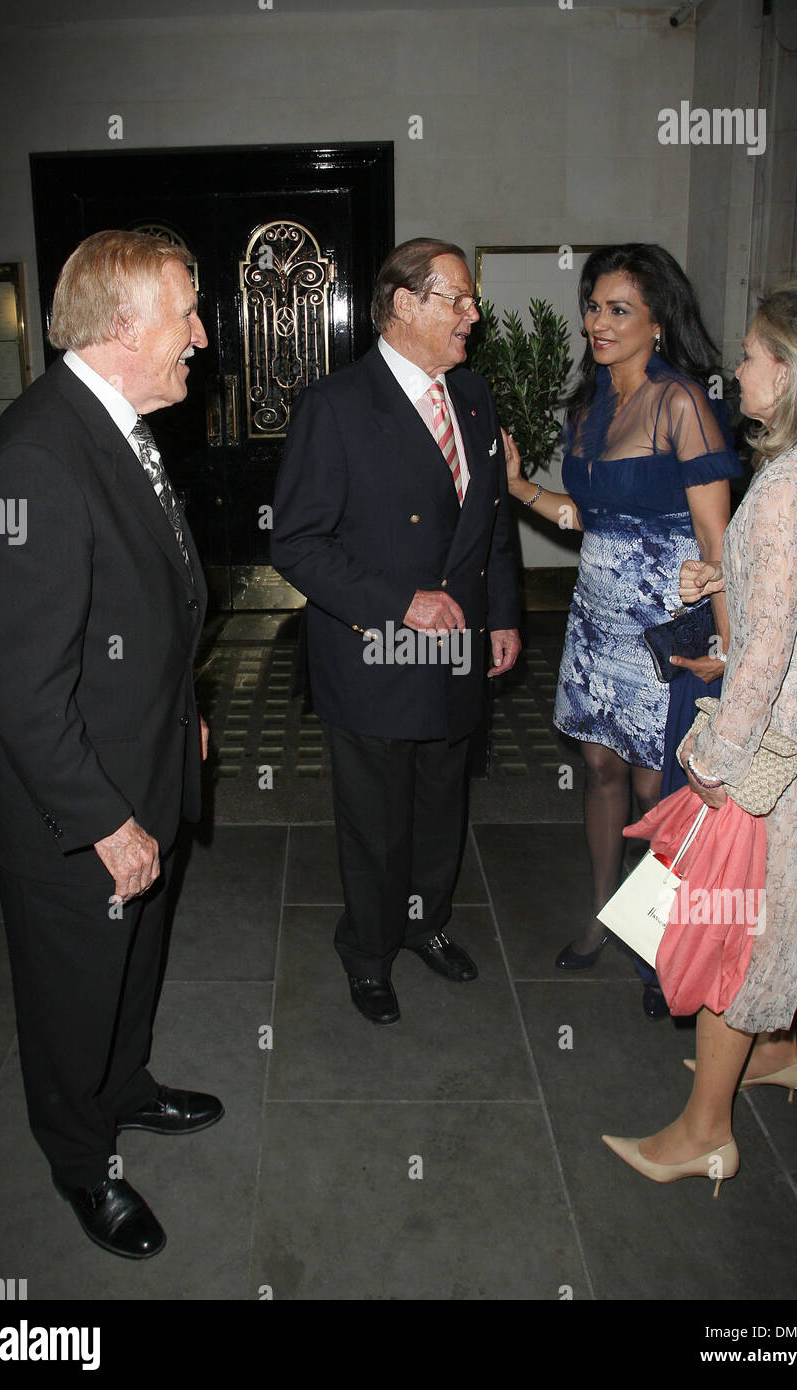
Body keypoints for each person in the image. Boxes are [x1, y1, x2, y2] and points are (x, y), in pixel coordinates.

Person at [0, 230, 222, 1259]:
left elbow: (133, 606)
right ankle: (82, 1158)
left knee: (131, 962)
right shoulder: (35, 454)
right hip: (71, 813)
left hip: (137, 762)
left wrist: (177, 710)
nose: (203, 337)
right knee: (73, 995)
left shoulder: (110, 420)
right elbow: (23, 688)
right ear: (122, 327)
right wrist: (107, 820)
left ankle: (124, 1086)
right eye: (188, 314)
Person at [601, 279, 797, 1192]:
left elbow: (763, 659)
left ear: (794, 371)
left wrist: (713, 760)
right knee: (793, 910)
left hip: (777, 749)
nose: (738, 368)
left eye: (754, 354)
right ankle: (777, 1053)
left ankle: (701, 1135)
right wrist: (721, 584)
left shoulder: (791, 488)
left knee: (736, 930)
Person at [271, 237, 521, 1025]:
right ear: (405, 303)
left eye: (472, 300)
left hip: (457, 648)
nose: (473, 315)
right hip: (376, 651)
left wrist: (505, 613)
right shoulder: (336, 405)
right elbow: (297, 543)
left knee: (443, 806)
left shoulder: (473, 393)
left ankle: (425, 923)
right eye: (458, 299)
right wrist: (398, 601)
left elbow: (491, 519)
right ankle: (370, 951)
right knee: (377, 824)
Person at [504, 244, 741, 1017]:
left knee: (655, 787)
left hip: (664, 632)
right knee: (601, 772)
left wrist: (728, 655)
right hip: (595, 623)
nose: (595, 322)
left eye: (617, 310)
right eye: (593, 306)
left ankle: (657, 935)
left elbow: (718, 545)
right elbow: (587, 517)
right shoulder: (589, 407)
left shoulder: (682, 404)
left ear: (658, 322)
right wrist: (519, 488)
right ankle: (605, 914)